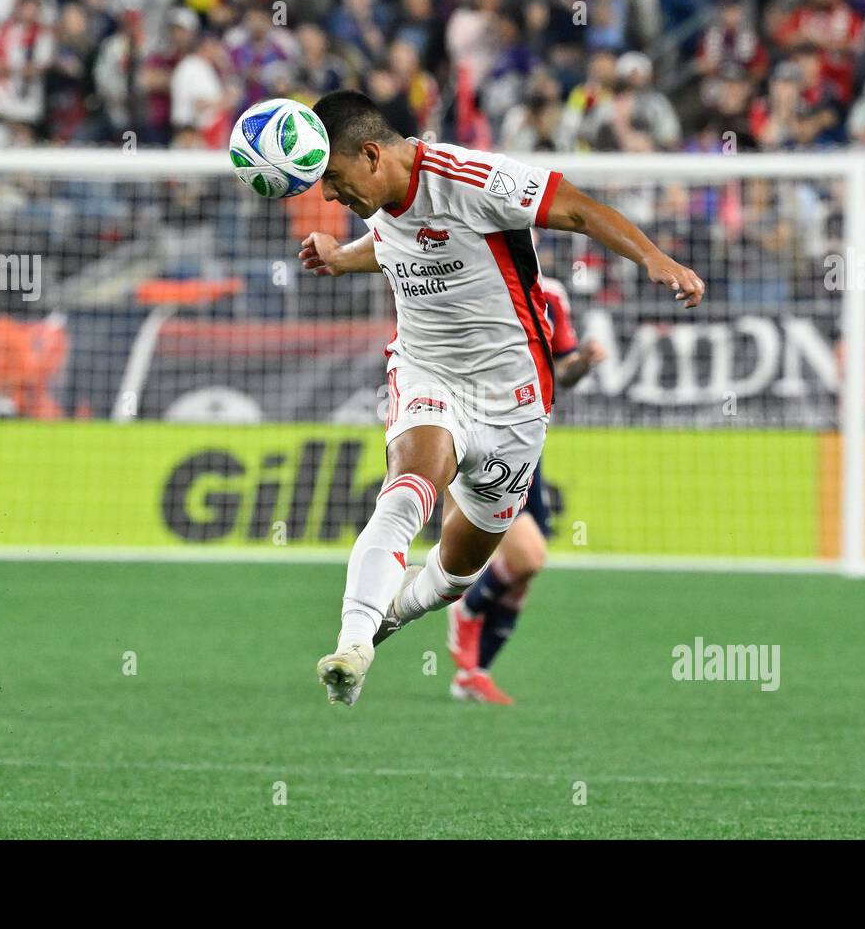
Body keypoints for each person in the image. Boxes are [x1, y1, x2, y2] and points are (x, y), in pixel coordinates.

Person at [297, 90, 704, 706]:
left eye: (332, 178)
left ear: (373, 156)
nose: (328, 196)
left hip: (514, 400)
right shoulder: (378, 200)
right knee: (409, 488)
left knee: (457, 572)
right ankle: (353, 642)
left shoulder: (472, 179)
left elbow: (577, 209)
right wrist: (338, 258)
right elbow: (390, 244)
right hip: (428, 373)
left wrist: (652, 258)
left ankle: (387, 618)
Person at [445, 275, 606, 704]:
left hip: (527, 443)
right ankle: (466, 607)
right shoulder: (465, 275)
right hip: (478, 439)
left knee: (524, 575)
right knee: (528, 556)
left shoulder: (549, 292)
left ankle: (472, 676)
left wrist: (584, 362)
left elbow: (565, 371)